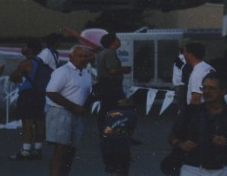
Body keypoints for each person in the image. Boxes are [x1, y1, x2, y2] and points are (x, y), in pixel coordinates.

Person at [167, 72, 227, 175]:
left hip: (222, 170)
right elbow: (171, 136)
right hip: (192, 169)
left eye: (212, 88)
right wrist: (181, 144)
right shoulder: (191, 112)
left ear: (223, 91)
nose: (206, 91)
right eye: (204, 88)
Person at [46, 45, 95, 176]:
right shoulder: (62, 71)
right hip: (61, 113)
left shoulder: (86, 73)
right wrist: (74, 107)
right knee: (61, 150)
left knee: (71, 151)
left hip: (77, 115)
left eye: (85, 56)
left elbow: (87, 94)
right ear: (71, 57)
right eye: (80, 56)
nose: (83, 59)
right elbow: (51, 92)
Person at [9, 38, 52, 160]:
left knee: (27, 121)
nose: (22, 48)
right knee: (39, 121)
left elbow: (13, 76)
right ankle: (37, 149)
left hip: (28, 94)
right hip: (39, 93)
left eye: (24, 46)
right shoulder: (41, 62)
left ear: (30, 49)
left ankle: (26, 150)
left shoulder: (26, 63)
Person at [98, 97, 138, 176]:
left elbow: (101, 128)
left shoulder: (107, 112)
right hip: (120, 145)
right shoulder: (132, 113)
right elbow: (129, 131)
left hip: (108, 144)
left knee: (115, 168)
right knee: (122, 167)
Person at [95, 32, 132, 108]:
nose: (119, 41)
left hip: (105, 84)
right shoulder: (110, 53)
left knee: (107, 106)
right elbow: (112, 71)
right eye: (117, 39)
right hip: (111, 85)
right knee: (117, 105)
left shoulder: (103, 52)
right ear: (113, 42)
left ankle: (104, 119)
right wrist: (125, 69)